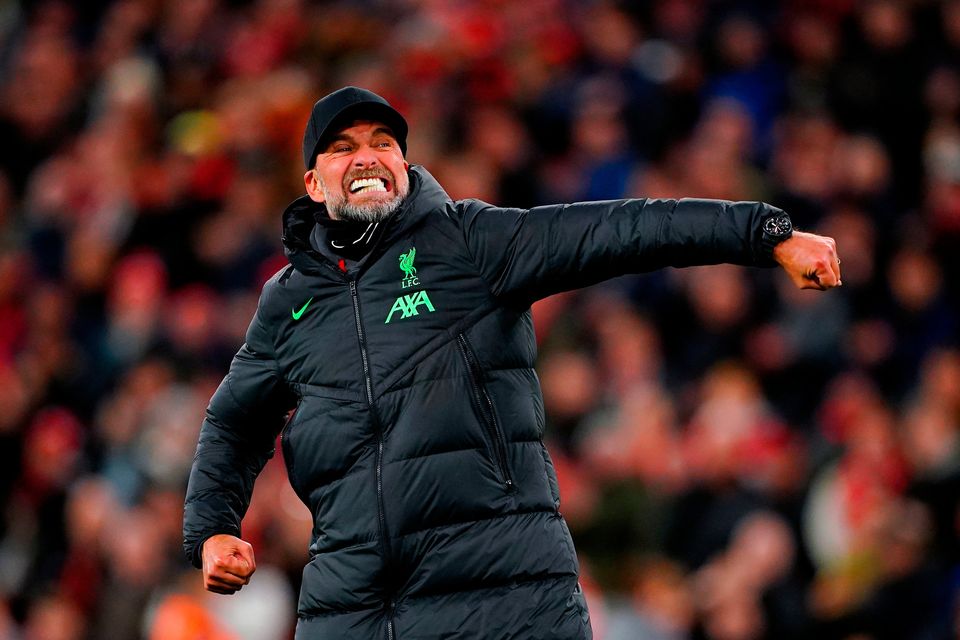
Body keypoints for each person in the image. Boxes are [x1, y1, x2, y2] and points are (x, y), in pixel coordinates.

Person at [182, 86, 841, 639]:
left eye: (383, 142)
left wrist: (766, 235)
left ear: (405, 164)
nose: (368, 156)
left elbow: (624, 230)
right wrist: (213, 529)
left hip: (504, 597)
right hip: (352, 609)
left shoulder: (470, 241)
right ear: (311, 182)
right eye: (344, 146)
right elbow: (234, 424)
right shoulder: (288, 302)